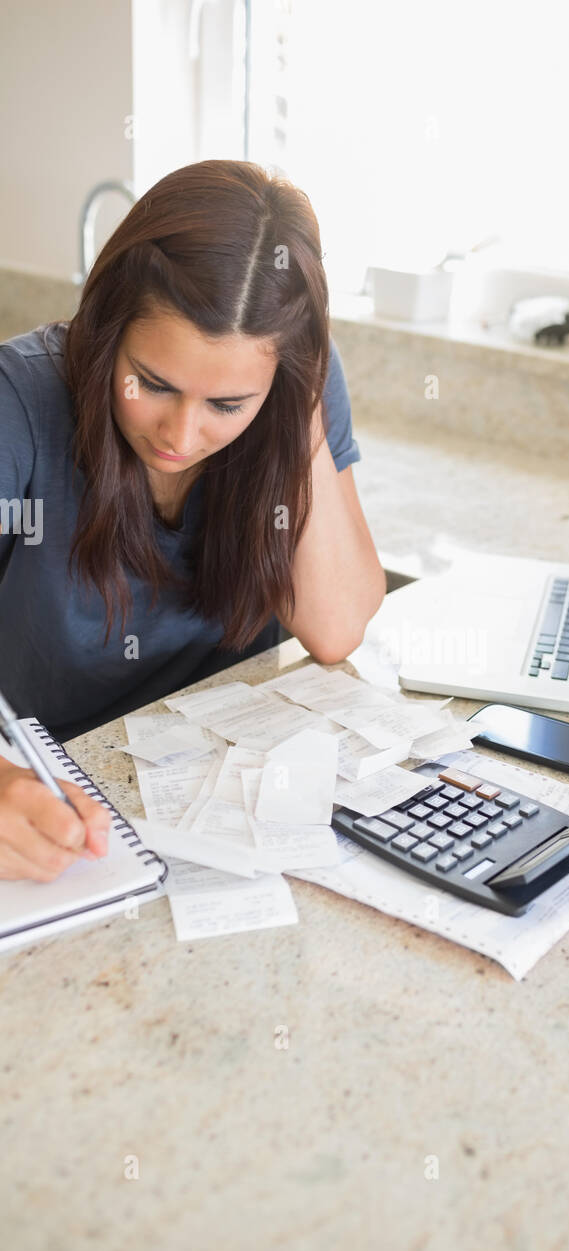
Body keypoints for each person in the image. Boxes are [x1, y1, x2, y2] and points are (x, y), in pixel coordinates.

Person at [0, 159, 385, 883]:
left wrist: (295, 405)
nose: (179, 434)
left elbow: (334, 629)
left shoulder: (293, 389)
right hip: (64, 802)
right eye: (151, 383)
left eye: (226, 405)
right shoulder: (17, 403)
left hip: (230, 794)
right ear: (108, 330)